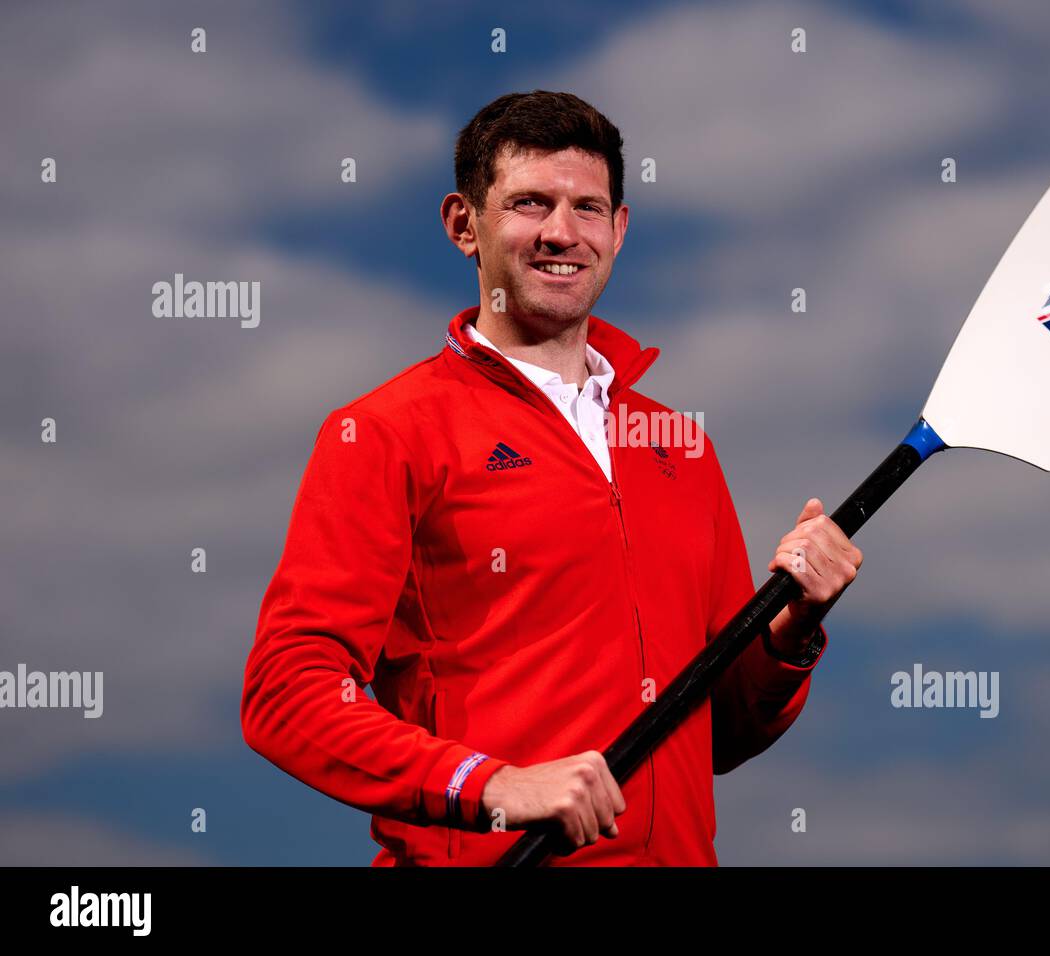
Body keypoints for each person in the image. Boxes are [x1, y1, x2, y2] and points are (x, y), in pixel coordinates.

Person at [240, 90, 862, 866]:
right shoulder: (387, 432)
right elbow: (287, 693)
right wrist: (490, 783)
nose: (561, 233)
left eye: (587, 208)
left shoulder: (679, 446)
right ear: (464, 225)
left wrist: (788, 634)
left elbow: (719, 734)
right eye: (530, 204)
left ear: (619, 229)